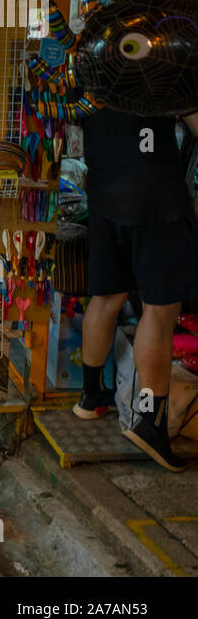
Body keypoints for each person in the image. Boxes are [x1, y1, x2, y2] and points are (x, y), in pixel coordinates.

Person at [75, 107, 198, 471]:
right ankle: (149, 420)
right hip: (156, 203)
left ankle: (91, 396)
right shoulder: (163, 67)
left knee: (106, 297)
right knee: (159, 313)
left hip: (104, 194)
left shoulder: (94, 63)